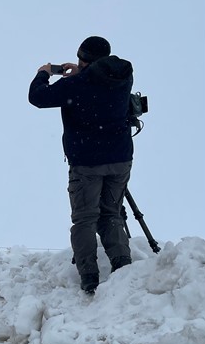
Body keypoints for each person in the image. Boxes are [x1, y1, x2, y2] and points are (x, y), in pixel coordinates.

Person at [27, 35, 135, 294]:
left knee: (85, 219)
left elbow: (37, 97)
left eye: (80, 59)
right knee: (111, 213)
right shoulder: (123, 78)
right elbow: (99, 83)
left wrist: (44, 73)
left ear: (84, 60)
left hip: (87, 163)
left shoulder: (75, 85)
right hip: (120, 159)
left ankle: (89, 276)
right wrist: (83, 72)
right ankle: (124, 268)